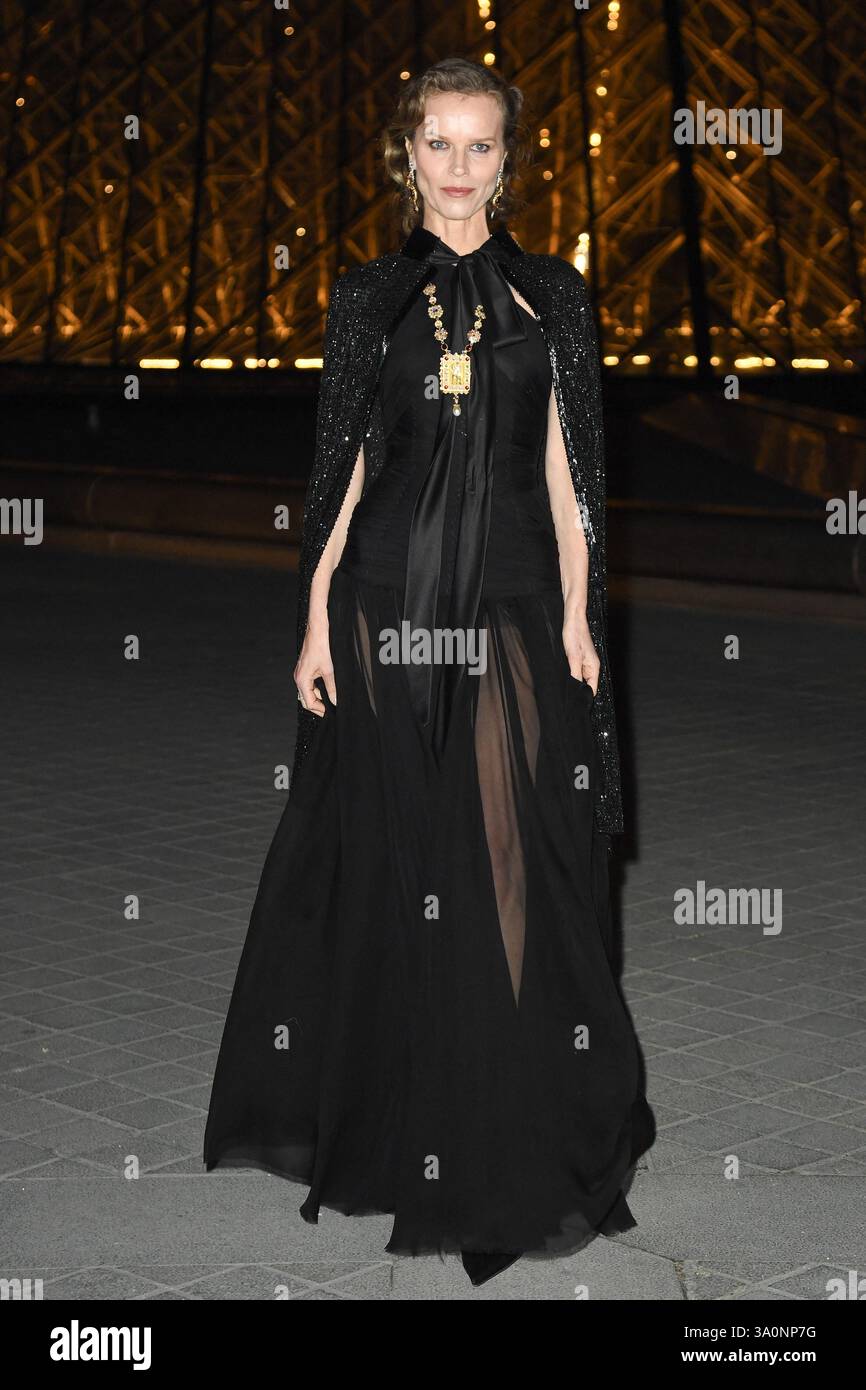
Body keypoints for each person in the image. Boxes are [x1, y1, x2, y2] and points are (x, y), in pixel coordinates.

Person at [203, 56, 655, 1289]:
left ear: (510, 161)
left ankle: (515, 1130)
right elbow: (342, 473)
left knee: (514, 863)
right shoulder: (366, 297)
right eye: (438, 146)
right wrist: (309, 619)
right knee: (406, 865)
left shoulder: (555, 297)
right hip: (384, 607)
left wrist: (578, 613)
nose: (459, 169)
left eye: (480, 147)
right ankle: (412, 1137)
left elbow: (571, 475)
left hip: (510, 607)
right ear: (407, 157)